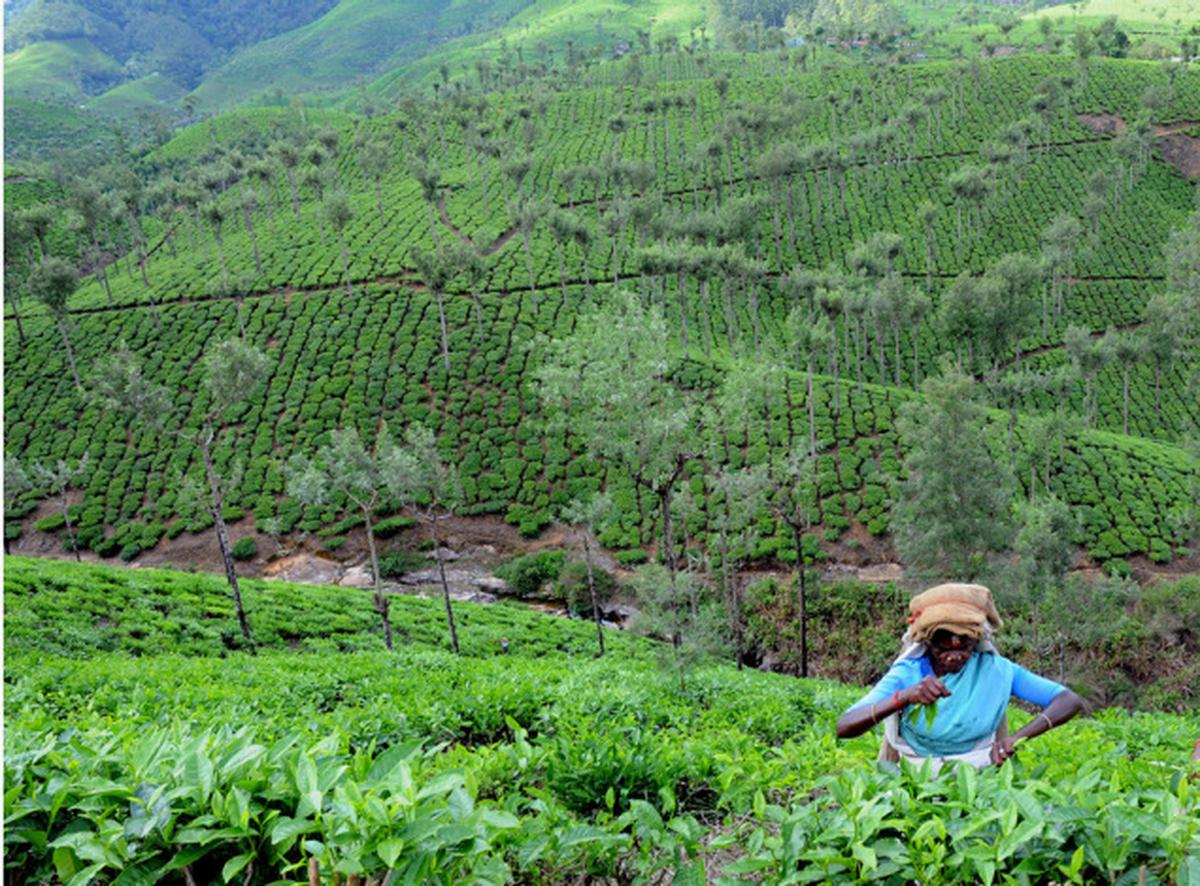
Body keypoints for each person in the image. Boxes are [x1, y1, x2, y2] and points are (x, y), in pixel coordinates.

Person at [836, 583, 1083, 774]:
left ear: (976, 643)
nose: (954, 657)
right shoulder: (908, 674)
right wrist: (903, 697)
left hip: (978, 775)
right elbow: (845, 726)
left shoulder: (996, 671)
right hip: (916, 778)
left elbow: (1068, 700)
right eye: (942, 649)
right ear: (927, 643)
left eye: (963, 648)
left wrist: (1017, 738)